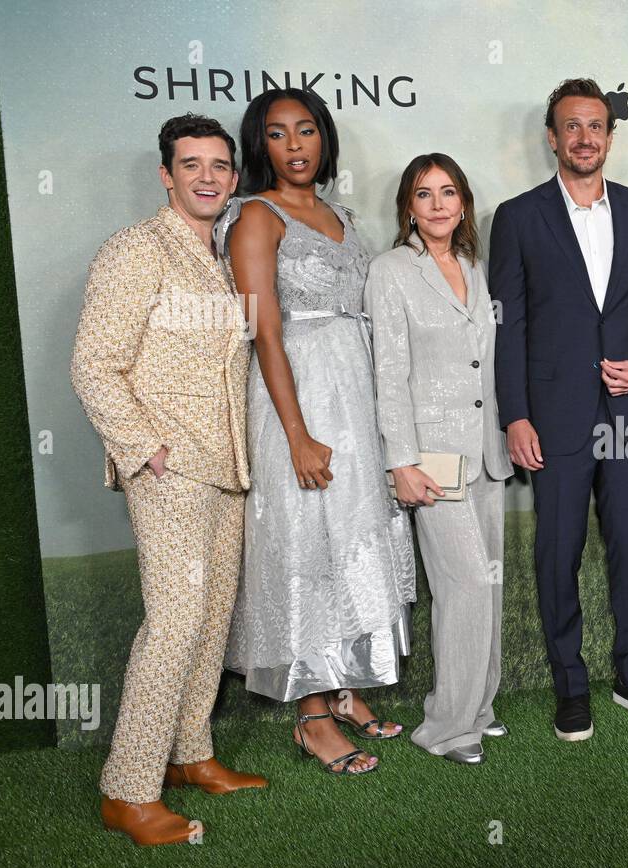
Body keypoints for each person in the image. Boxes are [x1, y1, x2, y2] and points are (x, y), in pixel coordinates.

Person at [70, 113, 267, 846]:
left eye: (220, 165)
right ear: (167, 174)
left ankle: (190, 755)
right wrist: (144, 449)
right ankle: (128, 790)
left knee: (211, 620)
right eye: (193, 165)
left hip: (227, 467)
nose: (209, 176)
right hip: (170, 468)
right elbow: (93, 363)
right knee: (175, 623)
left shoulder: (220, 256)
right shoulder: (134, 250)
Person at [221, 88, 416, 773]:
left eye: (307, 131)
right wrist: (297, 434)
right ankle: (309, 716)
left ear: (325, 140)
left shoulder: (341, 214)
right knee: (306, 539)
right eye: (278, 134)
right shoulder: (253, 217)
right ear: (260, 146)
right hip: (297, 398)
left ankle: (343, 688)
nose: (296, 145)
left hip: (355, 394)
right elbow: (263, 330)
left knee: (353, 533)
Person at [490, 77, 628, 740]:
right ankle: (571, 685)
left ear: (610, 136)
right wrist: (515, 414)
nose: (585, 137)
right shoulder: (518, 216)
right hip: (554, 417)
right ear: (552, 137)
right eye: (572, 126)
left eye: (595, 125)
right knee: (557, 552)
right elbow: (506, 325)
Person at [366, 154, 513, 765]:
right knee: (464, 585)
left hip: (486, 450)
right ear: (408, 206)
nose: (437, 205)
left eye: (448, 192)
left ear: (464, 202)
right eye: (424, 195)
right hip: (431, 457)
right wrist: (401, 460)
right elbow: (389, 374)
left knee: (490, 585)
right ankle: (446, 728)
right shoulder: (391, 271)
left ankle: (479, 706)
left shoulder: (477, 267)